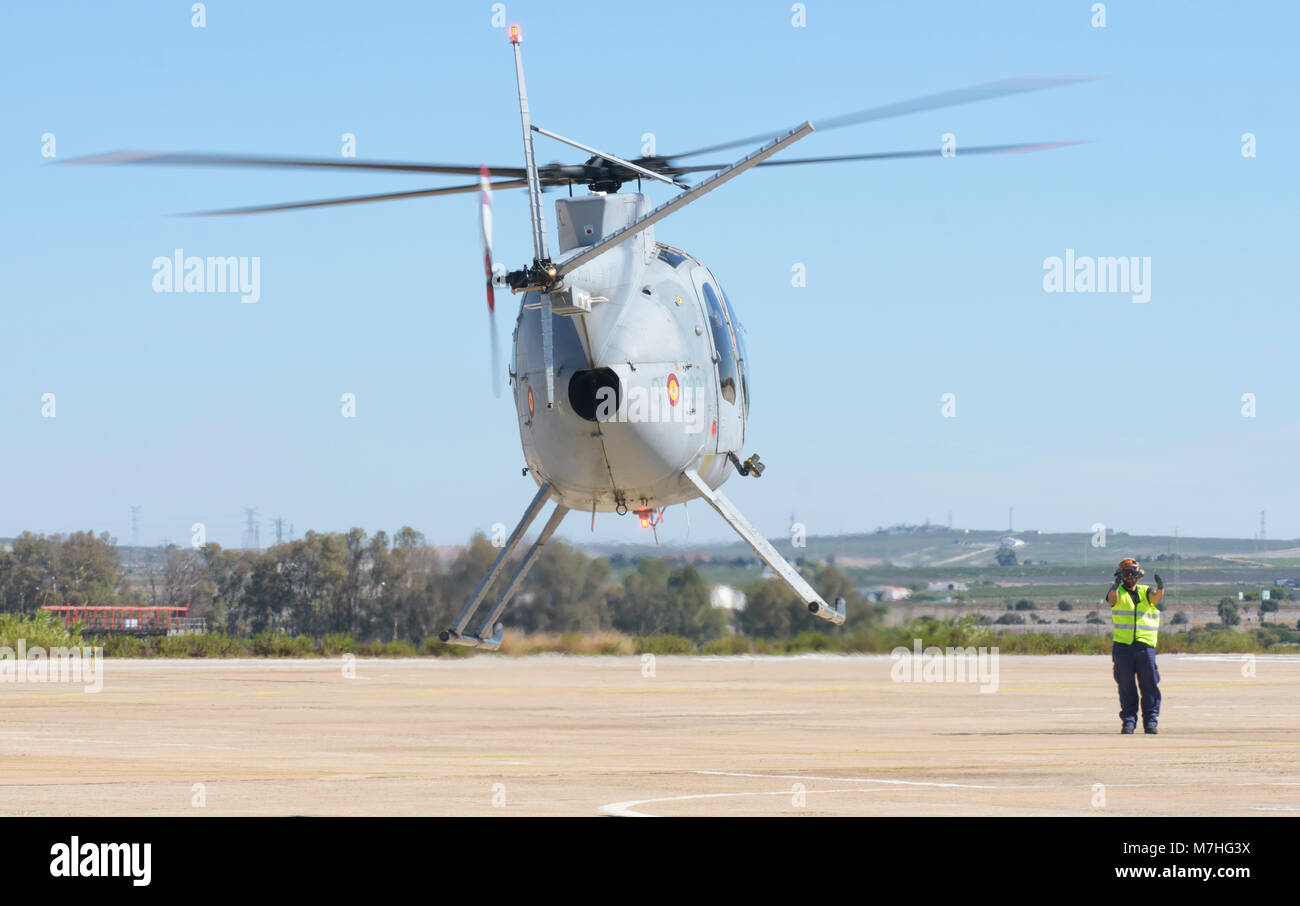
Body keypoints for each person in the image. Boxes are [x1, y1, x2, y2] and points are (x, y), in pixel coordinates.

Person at [1106, 558, 1164, 734]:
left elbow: (1156, 597)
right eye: (1126, 572)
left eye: (1133, 572)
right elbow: (1111, 600)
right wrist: (1115, 585)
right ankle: (1129, 721)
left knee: (1149, 684)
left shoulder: (1146, 592)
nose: (1130, 576)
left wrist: (1161, 587)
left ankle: (1151, 721)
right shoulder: (1117, 592)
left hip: (1144, 645)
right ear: (1121, 574)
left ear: (1139, 574)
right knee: (1125, 684)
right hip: (1123, 646)